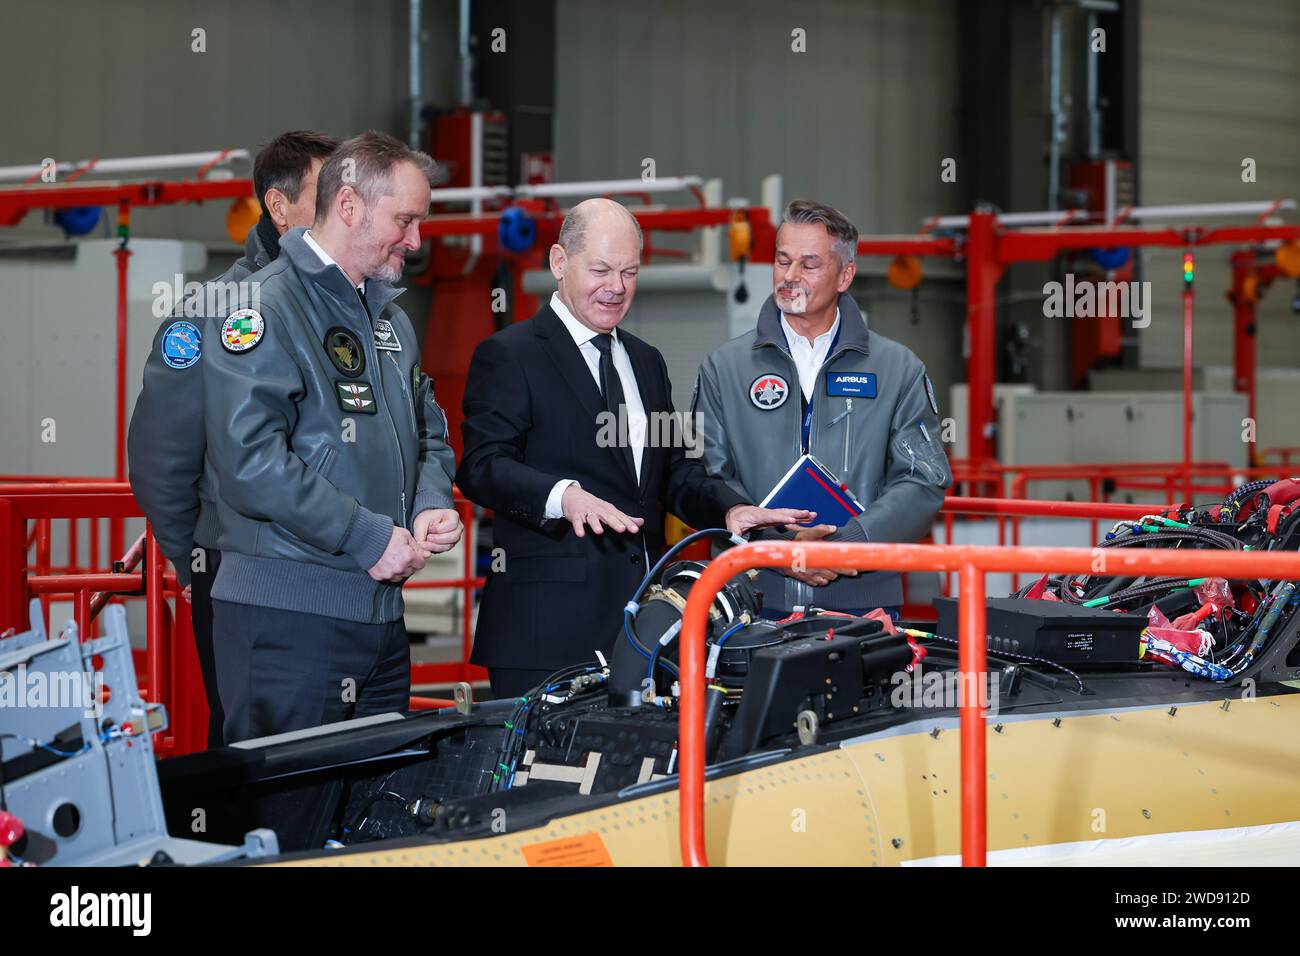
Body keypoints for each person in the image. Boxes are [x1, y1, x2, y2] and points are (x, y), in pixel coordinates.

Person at [456, 198, 812, 698]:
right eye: (600, 269)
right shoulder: (510, 354)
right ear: (559, 262)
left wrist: (730, 509)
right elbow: (480, 467)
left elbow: (676, 472)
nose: (616, 287)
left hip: (644, 630)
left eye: (629, 271)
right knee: (548, 777)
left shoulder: (646, 362)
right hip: (544, 637)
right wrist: (564, 497)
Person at [202, 131, 460, 746]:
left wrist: (431, 500)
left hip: (378, 617)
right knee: (289, 825)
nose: (416, 240)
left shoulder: (389, 319)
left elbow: (428, 429)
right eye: (405, 220)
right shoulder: (262, 309)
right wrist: (367, 534)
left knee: (372, 824)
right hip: (290, 621)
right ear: (348, 206)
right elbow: (251, 461)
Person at [127, 130, 339, 747]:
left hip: (348, 572)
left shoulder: (357, 308)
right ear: (278, 206)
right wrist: (192, 557)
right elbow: (161, 457)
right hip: (241, 571)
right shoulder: (212, 311)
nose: (346, 211)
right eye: (329, 196)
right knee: (258, 750)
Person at [692, 199, 951, 618]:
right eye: (782, 260)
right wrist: (782, 549)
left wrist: (847, 543)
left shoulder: (898, 369)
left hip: (864, 603)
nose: (790, 277)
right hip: (754, 601)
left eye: (809, 265)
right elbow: (707, 475)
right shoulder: (725, 368)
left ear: (845, 275)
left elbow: (923, 479)